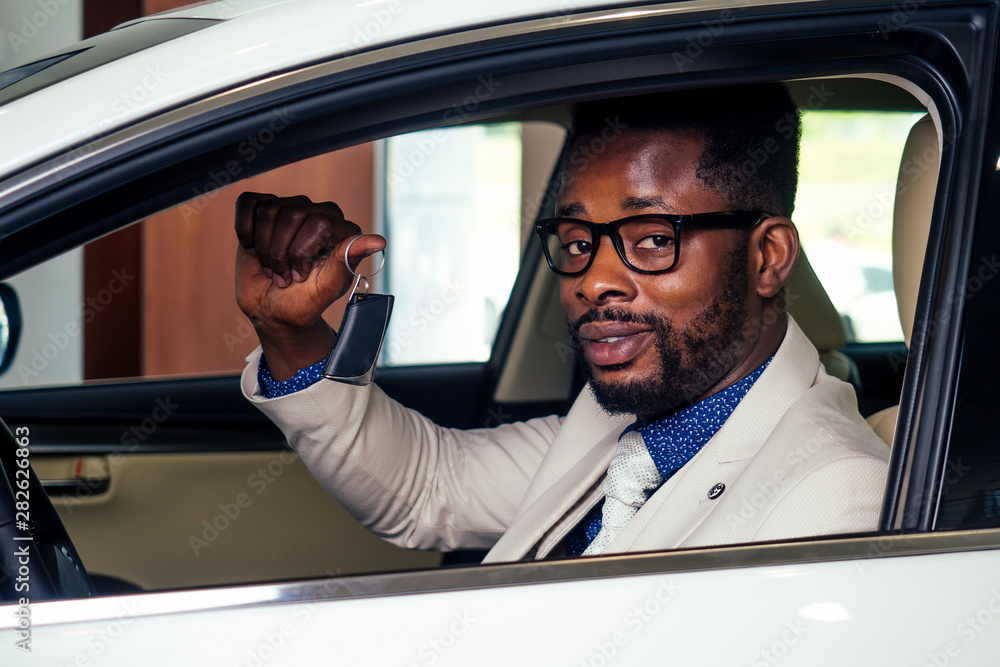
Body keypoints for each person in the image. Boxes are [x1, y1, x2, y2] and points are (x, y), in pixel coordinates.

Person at [234, 83, 889, 562]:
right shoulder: (630, 423)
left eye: (654, 237)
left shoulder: (835, 491)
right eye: (578, 241)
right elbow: (429, 485)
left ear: (767, 257)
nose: (593, 279)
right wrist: (290, 334)